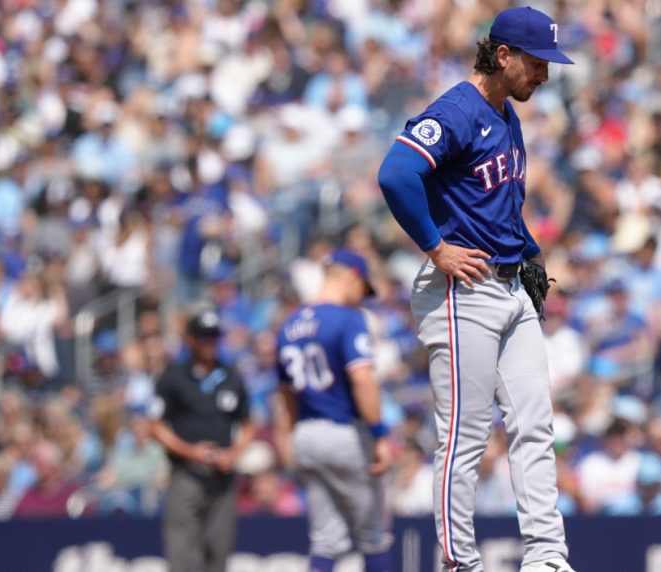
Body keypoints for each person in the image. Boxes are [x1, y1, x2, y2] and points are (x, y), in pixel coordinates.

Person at [376, 6, 575, 572]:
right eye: (537, 64)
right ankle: (461, 563)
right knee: (464, 438)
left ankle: (546, 557)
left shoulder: (505, 114)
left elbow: (495, 204)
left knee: (535, 426)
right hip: (463, 286)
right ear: (504, 55)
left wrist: (531, 252)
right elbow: (396, 173)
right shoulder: (459, 109)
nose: (545, 76)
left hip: (508, 287)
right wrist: (435, 247)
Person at [274, 248, 394, 572]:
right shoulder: (348, 318)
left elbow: (284, 396)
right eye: (362, 289)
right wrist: (380, 434)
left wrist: (287, 439)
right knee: (374, 536)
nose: (362, 298)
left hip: (306, 435)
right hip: (345, 435)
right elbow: (362, 379)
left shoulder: (289, 324)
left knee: (325, 539)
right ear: (351, 277)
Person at [149, 309, 255, 572]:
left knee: (219, 548)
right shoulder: (173, 377)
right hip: (187, 473)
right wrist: (190, 452)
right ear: (190, 339)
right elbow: (155, 426)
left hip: (222, 476)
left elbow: (248, 424)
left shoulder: (231, 376)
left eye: (214, 337)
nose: (210, 343)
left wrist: (234, 453)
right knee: (183, 549)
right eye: (204, 337)